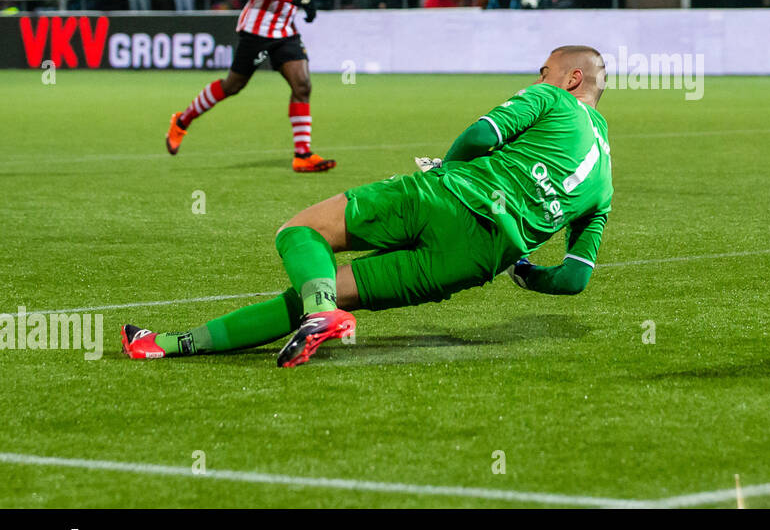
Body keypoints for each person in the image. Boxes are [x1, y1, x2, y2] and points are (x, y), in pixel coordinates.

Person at [124, 46, 614, 368]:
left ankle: (316, 314)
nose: (540, 75)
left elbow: (482, 135)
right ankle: (170, 344)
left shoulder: (554, 98)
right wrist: (524, 271)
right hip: (477, 260)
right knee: (321, 294)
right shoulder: (606, 183)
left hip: (450, 198)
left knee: (300, 232)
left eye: (545, 69)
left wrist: (449, 170)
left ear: (571, 78)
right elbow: (574, 279)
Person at [165, 0, 335, 173]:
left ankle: (302, 155)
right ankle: (182, 121)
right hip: (258, 27)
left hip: (285, 29)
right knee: (233, 85)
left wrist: (306, 5)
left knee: (302, 85)